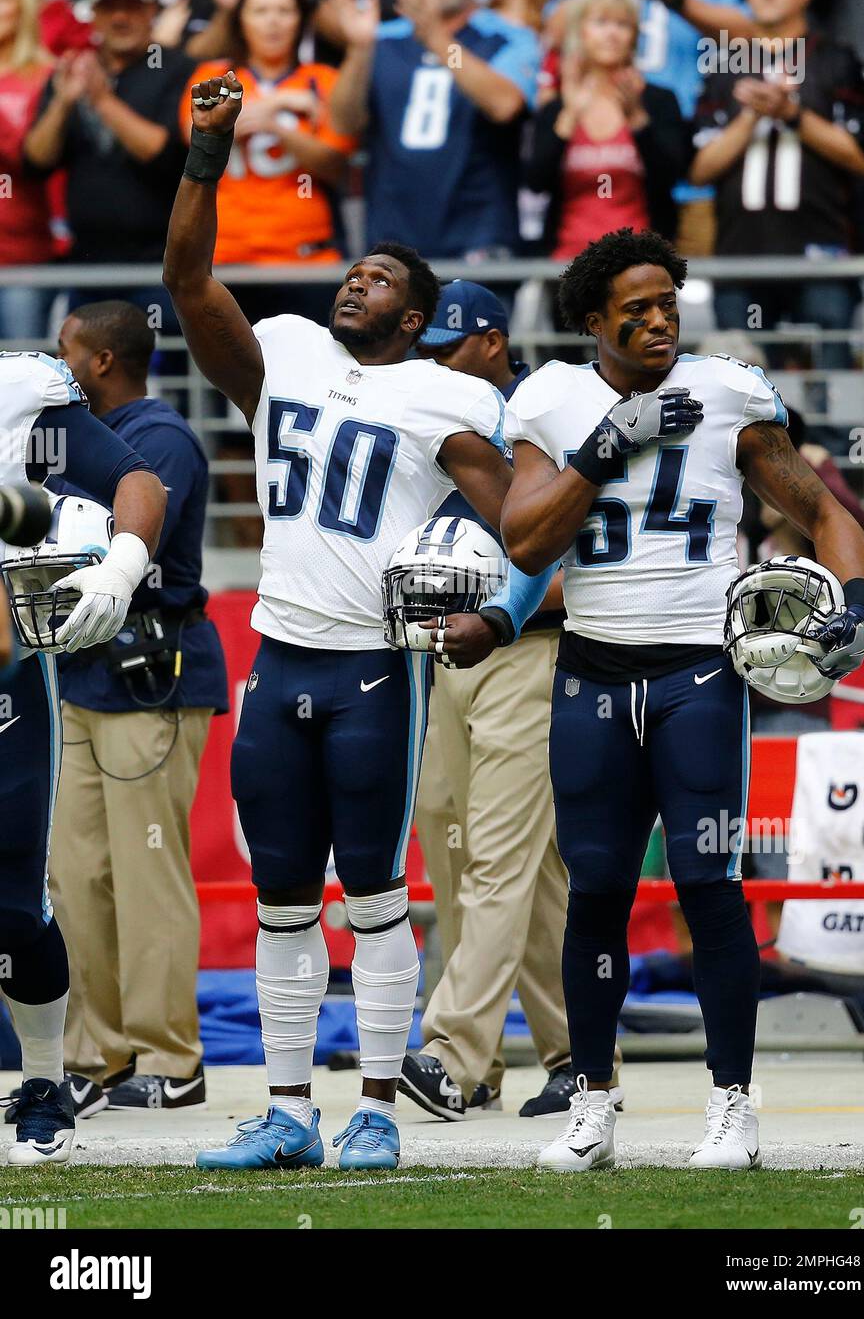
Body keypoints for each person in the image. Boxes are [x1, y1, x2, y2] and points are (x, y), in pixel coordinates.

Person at [162, 67, 551, 1171]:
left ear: (416, 316)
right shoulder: (284, 350)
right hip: (277, 654)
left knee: (375, 899)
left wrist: (499, 616)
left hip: (377, 667)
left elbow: (526, 527)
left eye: (378, 278)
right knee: (283, 898)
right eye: (352, 268)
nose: (354, 281)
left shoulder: (447, 397)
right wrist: (206, 154)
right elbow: (186, 278)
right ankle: (288, 1108)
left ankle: (375, 1104)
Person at [499, 226, 864, 1171]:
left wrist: (860, 604)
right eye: (636, 311)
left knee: (709, 888)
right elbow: (522, 542)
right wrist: (599, 449)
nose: (660, 322)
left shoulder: (724, 391)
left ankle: (732, 1107)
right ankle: (591, 1103)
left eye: (668, 303)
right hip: (591, 670)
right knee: (595, 892)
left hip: (697, 675)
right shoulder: (551, 399)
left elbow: (824, 508)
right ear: (593, 321)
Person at [402, 280, 593, 1122]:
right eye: (427, 352)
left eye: (449, 348)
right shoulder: (430, 420)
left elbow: (580, 557)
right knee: (472, 855)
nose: (436, 364)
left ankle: (451, 1054)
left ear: (490, 342)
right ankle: (578, 1055)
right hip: (445, 656)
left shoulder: (543, 414)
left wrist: (499, 611)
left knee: (497, 856)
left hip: (531, 651)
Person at [43, 301, 228, 1117]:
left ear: (104, 362)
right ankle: (95, 1052)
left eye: (66, 354)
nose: (57, 369)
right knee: (76, 875)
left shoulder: (159, 440)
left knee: (147, 873)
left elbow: (119, 545)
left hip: (150, 672)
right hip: (79, 676)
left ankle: (169, 1057)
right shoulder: (81, 438)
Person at [0, 351, 166, 1165]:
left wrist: (122, 563)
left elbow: (136, 481)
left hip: (4, 675)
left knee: (13, 901)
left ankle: (41, 1081)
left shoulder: (18, 393)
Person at [690, 0, 864, 370]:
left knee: (831, 389)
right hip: (740, 257)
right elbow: (699, 169)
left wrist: (791, 114)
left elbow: (860, 160)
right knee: (741, 396)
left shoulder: (837, 60)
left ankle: (829, 442)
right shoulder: (723, 65)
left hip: (822, 255)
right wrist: (751, 117)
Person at [328, 0, 540, 259]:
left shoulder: (510, 37)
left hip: (480, 242)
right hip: (393, 246)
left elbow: (504, 105)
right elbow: (342, 122)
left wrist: (435, 38)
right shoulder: (380, 40)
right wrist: (358, 50)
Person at [180, 0, 356, 317]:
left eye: (284, 11)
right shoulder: (213, 76)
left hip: (305, 258)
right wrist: (277, 103)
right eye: (260, 11)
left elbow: (334, 162)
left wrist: (279, 129)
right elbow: (194, 134)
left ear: (301, 20)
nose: (272, 22)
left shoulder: (323, 80)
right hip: (226, 256)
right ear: (240, 19)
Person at [23, 0, 194, 268]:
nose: (119, 17)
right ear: (93, 16)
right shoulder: (73, 70)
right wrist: (62, 103)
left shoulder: (178, 69)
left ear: (151, 10)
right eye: (108, 7)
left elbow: (165, 155)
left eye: (131, 6)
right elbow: (36, 162)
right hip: (85, 259)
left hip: (161, 264)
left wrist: (102, 101)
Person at [526, 0, 690, 256]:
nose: (612, 34)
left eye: (622, 24)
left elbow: (673, 177)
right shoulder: (557, 107)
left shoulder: (659, 101)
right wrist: (569, 115)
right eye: (601, 23)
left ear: (635, 36)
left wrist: (638, 120)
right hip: (568, 264)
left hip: (641, 264)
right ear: (581, 33)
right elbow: (536, 181)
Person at [0, 0, 56, 341]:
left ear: (22, 6)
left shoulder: (43, 75)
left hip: (22, 255)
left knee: (23, 379)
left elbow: (35, 159)